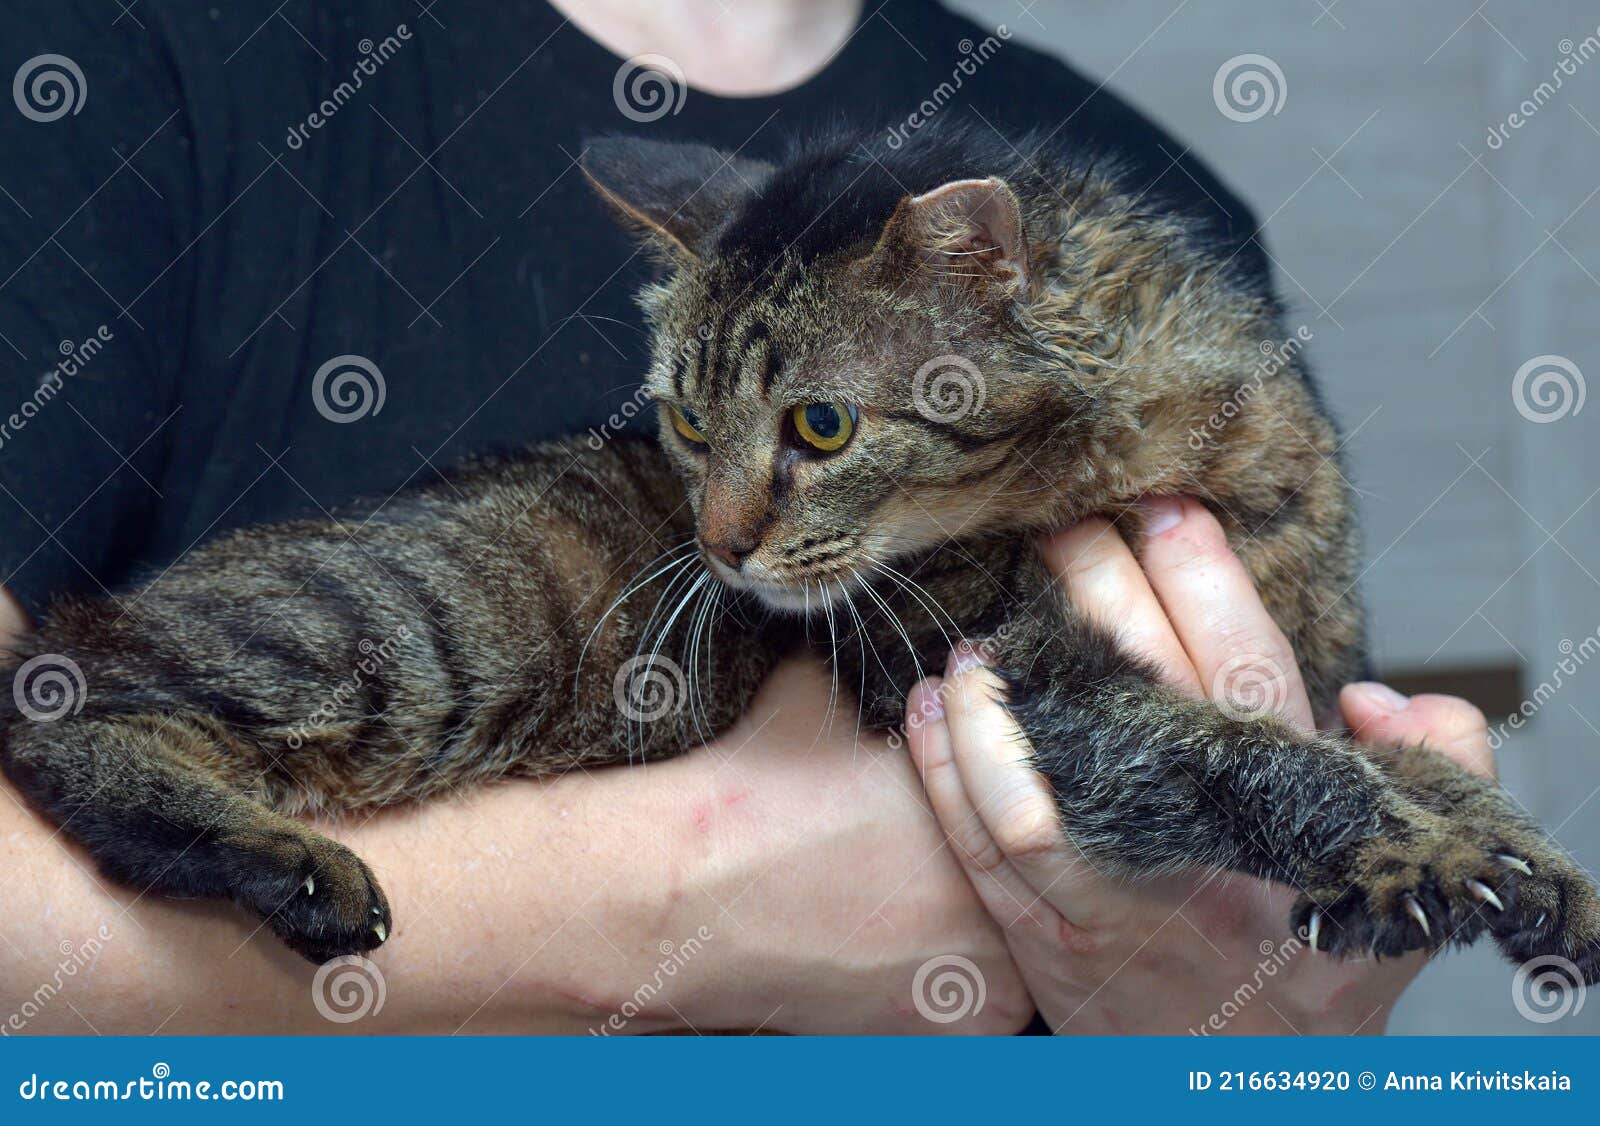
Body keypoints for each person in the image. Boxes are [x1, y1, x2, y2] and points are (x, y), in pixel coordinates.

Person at [0, 0, 1490, 1033]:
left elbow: (1250, 1012)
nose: (725, 532)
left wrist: (1246, 1036)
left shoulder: (1140, 215)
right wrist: (688, 888)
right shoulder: (129, 65)